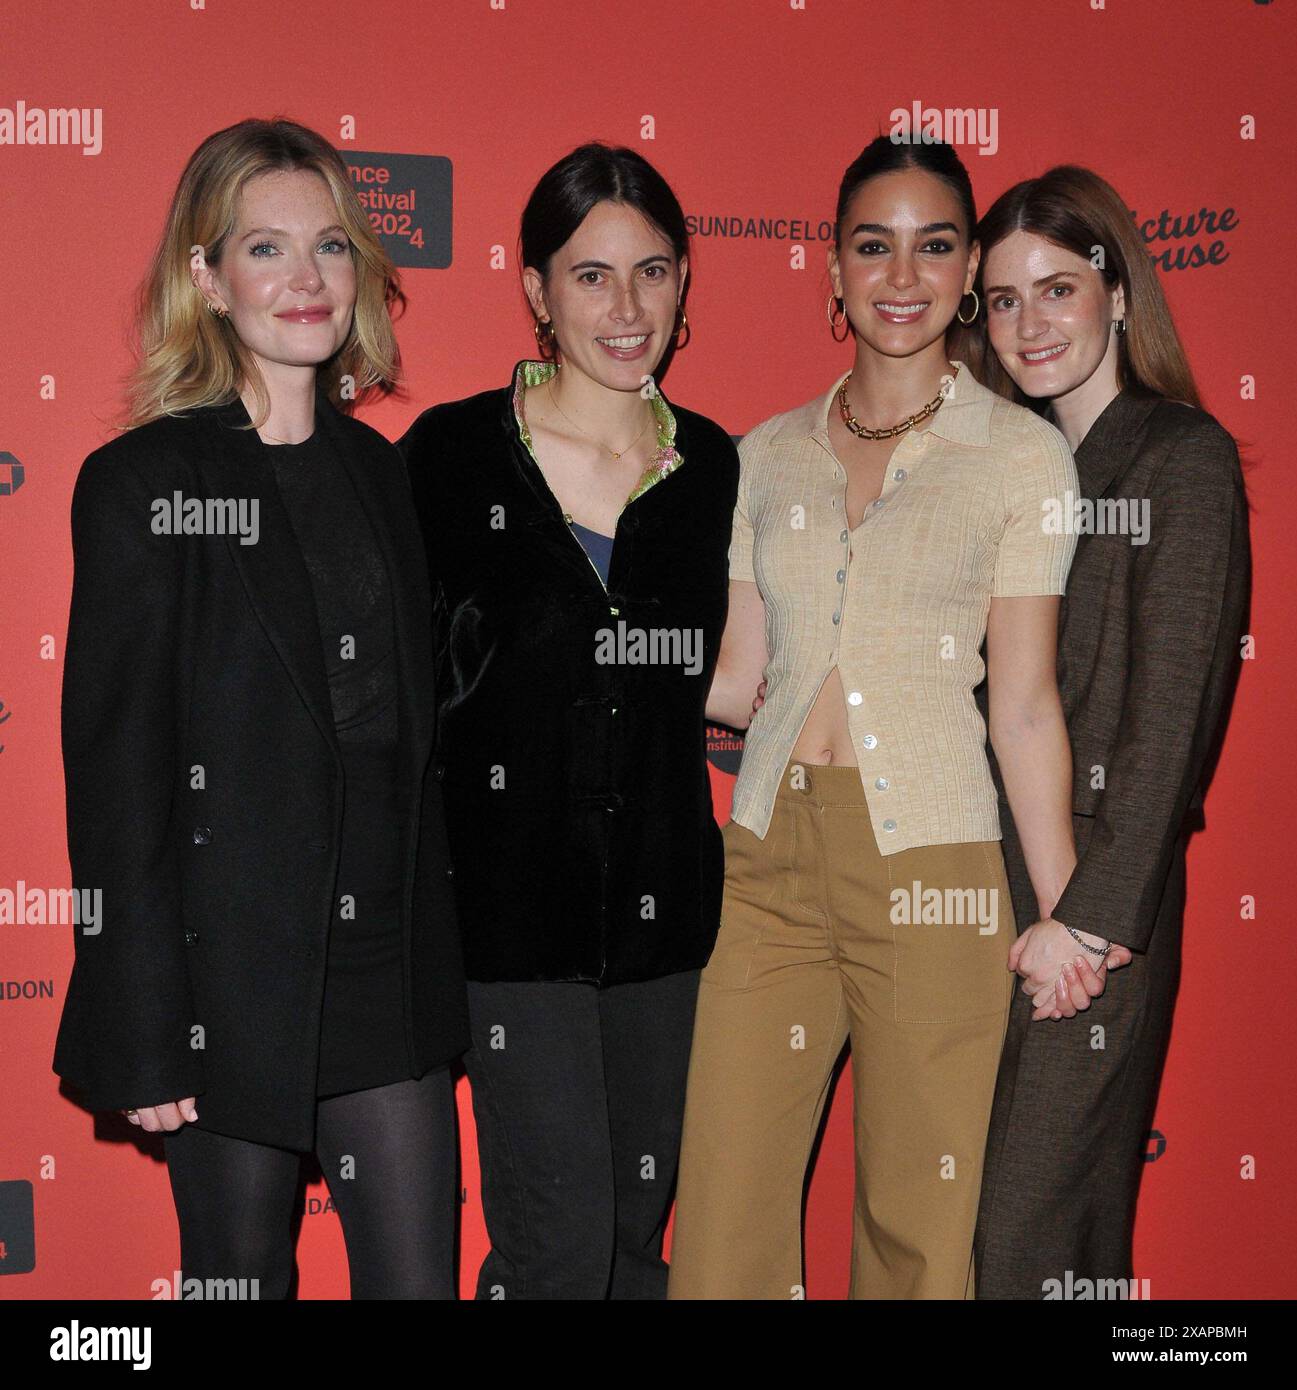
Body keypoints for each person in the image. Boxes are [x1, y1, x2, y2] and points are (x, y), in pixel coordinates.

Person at [668, 135, 1119, 1301]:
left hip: (935, 864)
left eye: (933, 245)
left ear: (969, 270)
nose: (902, 274)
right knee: (722, 1216)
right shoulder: (764, 455)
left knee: (918, 1233)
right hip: (766, 859)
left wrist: (1069, 909)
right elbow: (735, 676)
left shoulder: (1019, 458)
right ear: (830, 268)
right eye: (873, 245)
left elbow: (1021, 704)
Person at [52, 118, 469, 1300]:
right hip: (225, 977)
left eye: (330, 247)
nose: (304, 280)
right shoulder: (145, 482)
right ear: (206, 277)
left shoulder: (380, 470)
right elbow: (119, 770)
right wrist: (143, 1018)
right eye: (266, 249)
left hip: (383, 961)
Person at [398, 142, 739, 1299]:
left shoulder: (717, 472)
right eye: (590, 276)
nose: (626, 306)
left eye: (652, 270)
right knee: (557, 1243)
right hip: (507, 922)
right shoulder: (445, 457)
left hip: (664, 923)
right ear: (536, 290)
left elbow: (734, 683)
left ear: (687, 280)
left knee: (637, 1247)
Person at [963, 165, 1251, 1298]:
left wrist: (1083, 924)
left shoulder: (1180, 457)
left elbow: (1174, 715)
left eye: (1057, 288)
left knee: (1026, 1247)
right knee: (1016, 1247)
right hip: (977, 895)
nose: (1028, 324)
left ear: (1117, 292)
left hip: (1090, 922)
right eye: (1000, 299)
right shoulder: (1005, 470)